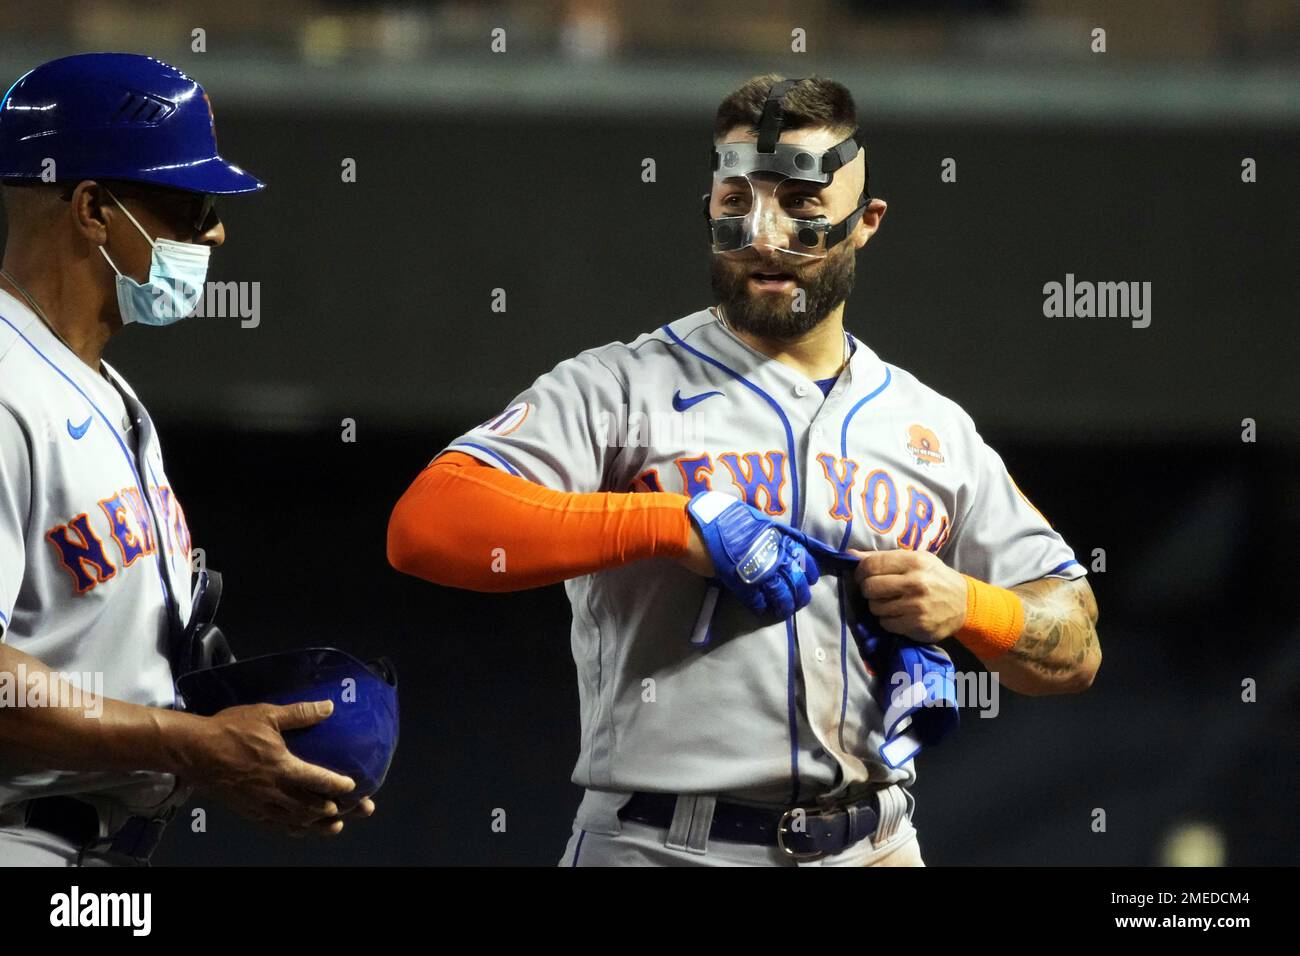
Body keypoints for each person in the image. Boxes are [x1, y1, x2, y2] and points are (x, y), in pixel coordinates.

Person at [387, 74, 1101, 867]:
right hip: (661, 846)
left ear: (865, 223)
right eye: (738, 203)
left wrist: (972, 605)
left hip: (877, 845)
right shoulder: (620, 386)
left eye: (801, 206)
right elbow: (428, 525)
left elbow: (1074, 643)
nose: (766, 235)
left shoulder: (930, 425)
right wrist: (667, 522)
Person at [0, 53, 372, 866]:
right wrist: (189, 742)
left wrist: (224, 750)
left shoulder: (103, 388)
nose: (216, 229)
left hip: (99, 850)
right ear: (93, 208)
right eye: (191, 201)